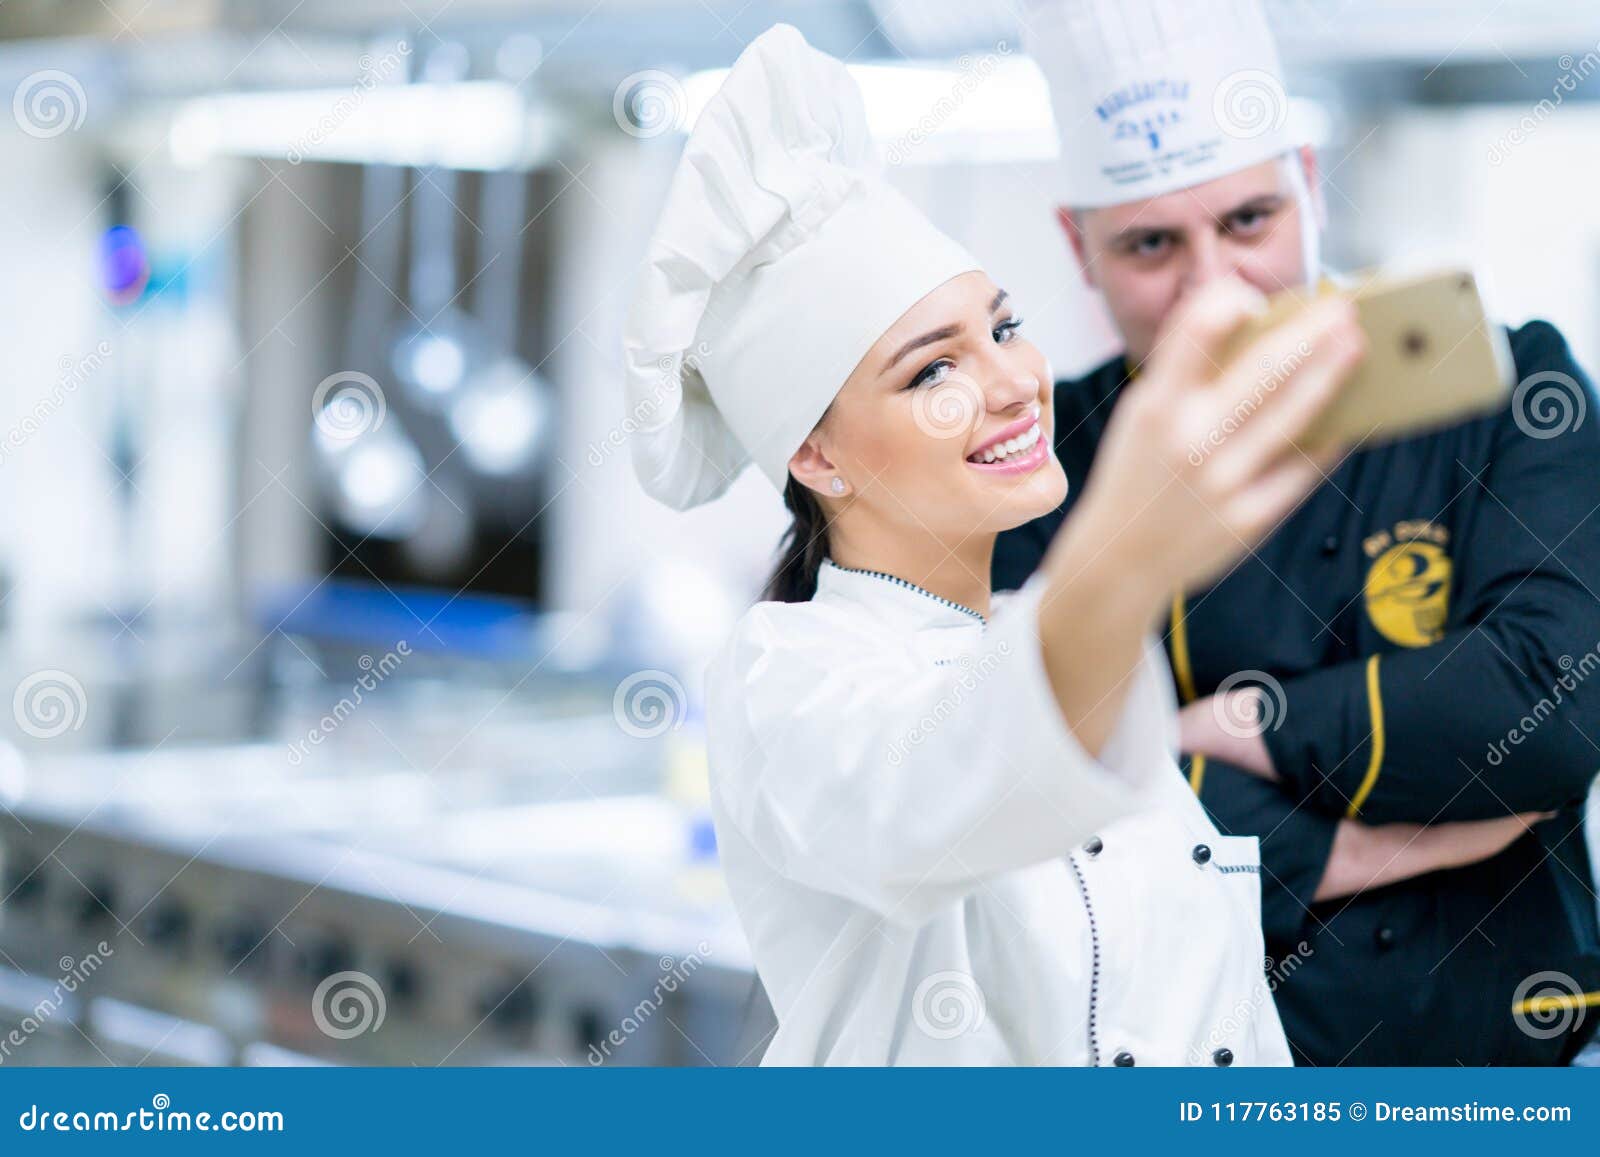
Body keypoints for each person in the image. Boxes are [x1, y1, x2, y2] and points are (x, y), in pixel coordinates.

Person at [624, 23, 1370, 1066]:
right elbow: (938, 784)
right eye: (933, 370)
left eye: (1004, 328)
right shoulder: (786, 676)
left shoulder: (1039, 644)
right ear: (818, 454)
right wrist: (1128, 550)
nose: (1017, 383)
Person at [995, 0, 1600, 1065]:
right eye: (1150, 244)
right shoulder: (1044, 461)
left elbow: (1553, 710)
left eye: (1248, 221)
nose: (1214, 289)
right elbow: (1027, 796)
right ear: (1077, 247)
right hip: (1198, 1074)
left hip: (1509, 1064)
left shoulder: (1509, 389)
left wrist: (1230, 726)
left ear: (1310, 188)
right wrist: (1351, 843)